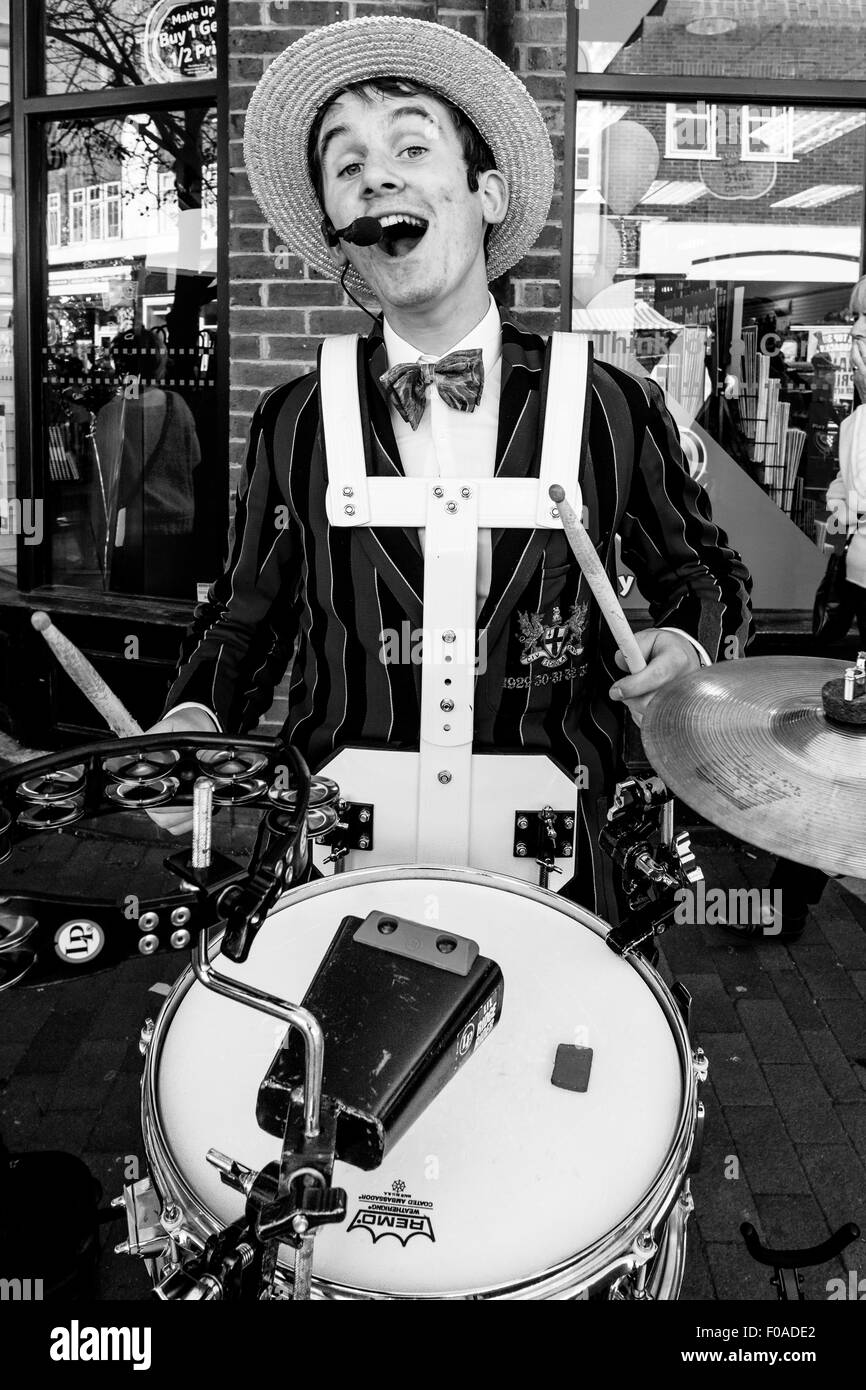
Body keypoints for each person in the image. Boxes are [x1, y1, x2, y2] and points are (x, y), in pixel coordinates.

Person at [151, 16, 753, 918]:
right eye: (344, 163)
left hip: (561, 865)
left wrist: (687, 645)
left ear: (490, 194)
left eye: (409, 145)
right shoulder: (295, 418)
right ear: (341, 231)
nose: (375, 173)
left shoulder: (608, 405)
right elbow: (244, 623)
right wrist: (194, 719)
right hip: (335, 860)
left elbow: (706, 577)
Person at [722, 274, 866, 944]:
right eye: (856, 329)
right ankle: (791, 898)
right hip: (851, 594)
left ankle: (791, 897)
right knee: (827, 738)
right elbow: (843, 481)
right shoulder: (859, 419)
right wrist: (839, 502)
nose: (856, 341)